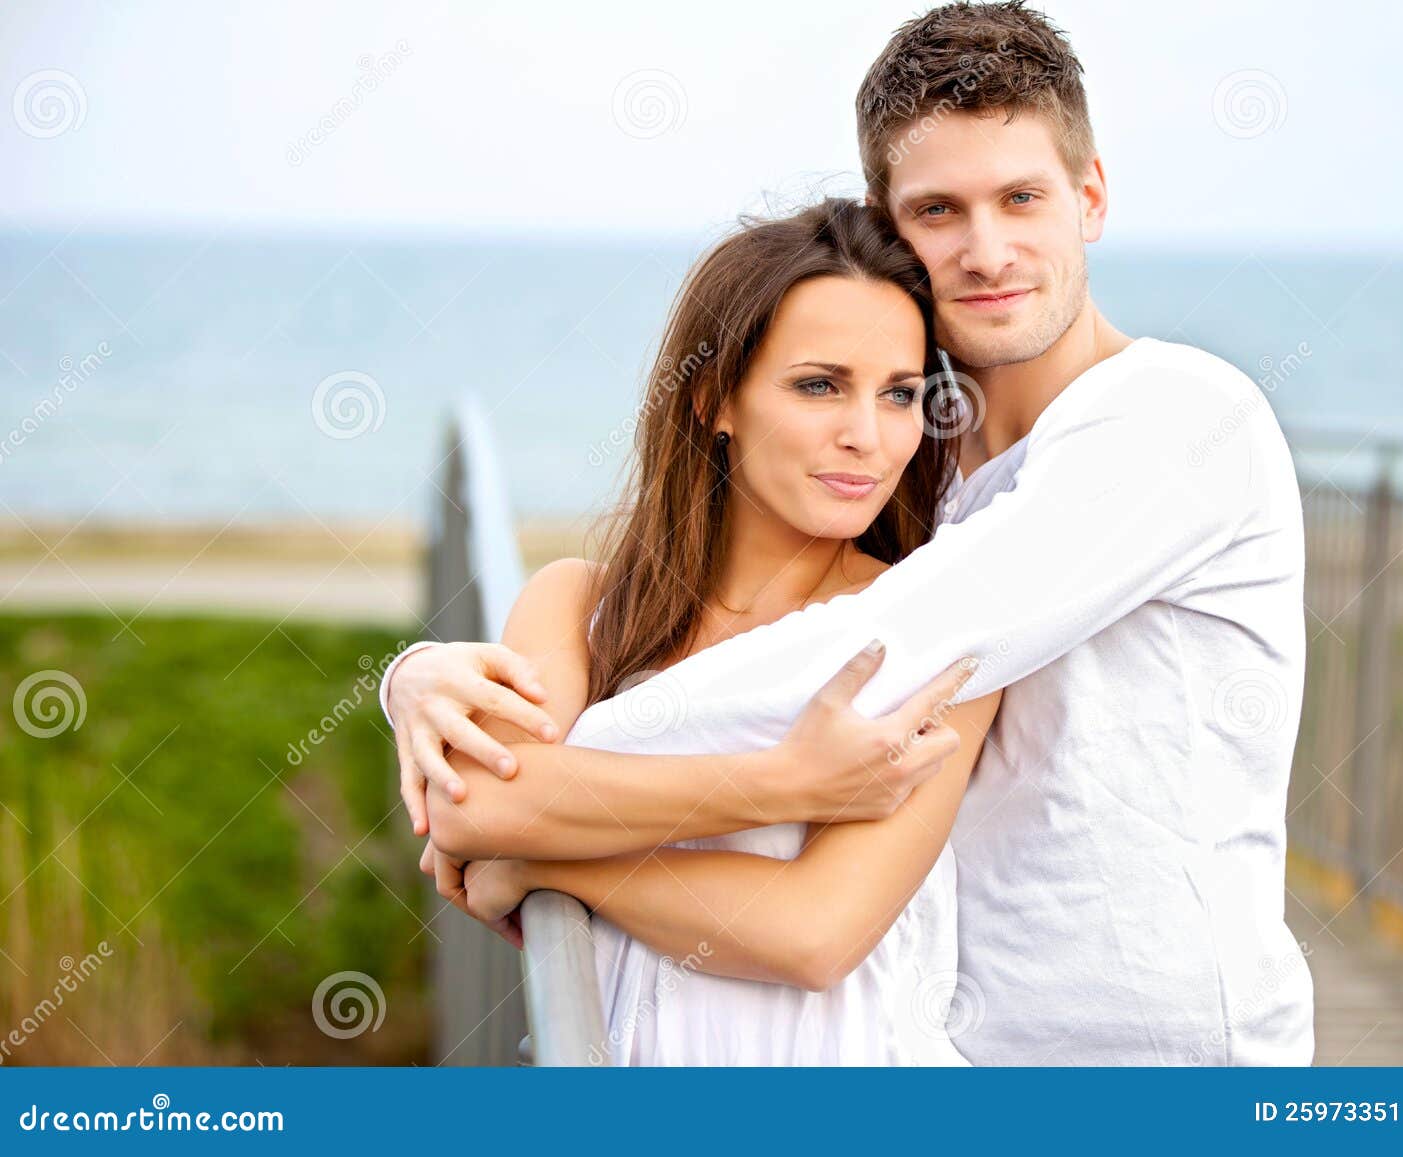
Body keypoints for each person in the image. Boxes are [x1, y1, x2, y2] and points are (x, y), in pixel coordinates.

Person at [386, 1, 1314, 1066]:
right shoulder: (943, 497)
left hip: (1168, 1062)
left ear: (1089, 196)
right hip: (971, 1048)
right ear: (891, 226)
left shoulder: (1170, 417)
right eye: (939, 209)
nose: (987, 248)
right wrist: (426, 680)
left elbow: (853, 668)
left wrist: (526, 828)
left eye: (1022, 197)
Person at [424, 196, 1003, 1064]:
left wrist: (548, 865)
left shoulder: (932, 630)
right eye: (819, 384)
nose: (867, 437)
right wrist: (788, 781)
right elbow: (480, 804)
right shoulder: (580, 605)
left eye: (900, 395)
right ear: (713, 397)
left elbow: (815, 934)